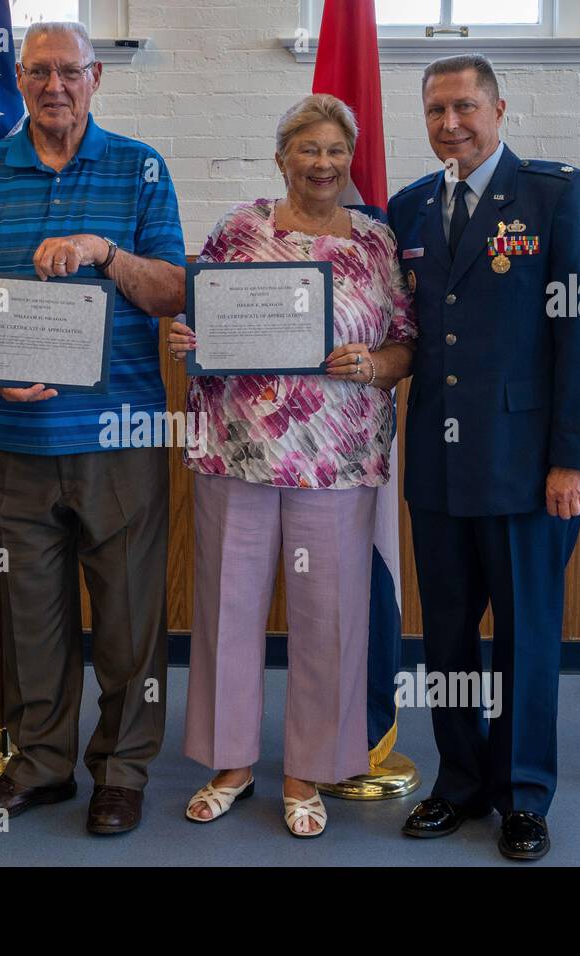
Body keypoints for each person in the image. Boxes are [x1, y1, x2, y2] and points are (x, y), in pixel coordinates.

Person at [0, 21, 186, 836]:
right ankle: (40, 764)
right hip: (17, 439)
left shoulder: (141, 168)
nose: (53, 86)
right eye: (37, 71)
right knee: (29, 614)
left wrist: (106, 252)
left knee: (128, 618)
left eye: (68, 71)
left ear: (95, 77)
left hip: (120, 438)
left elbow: (172, 291)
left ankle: (122, 770)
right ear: (18, 78)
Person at [168, 94, 416, 837]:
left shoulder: (376, 242)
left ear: (350, 159)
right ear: (282, 158)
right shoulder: (238, 229)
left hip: (339, 460)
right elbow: (196, 312)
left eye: (336, 151)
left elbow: (408, 342)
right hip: (236, 449)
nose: (322, 164)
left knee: (327, 618)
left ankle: (308, 769)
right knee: (227, 608)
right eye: (308, 149)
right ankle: (231, 762)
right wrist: (188, 337)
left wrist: (374, 362)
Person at [388, 54, 580, 860]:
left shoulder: (558, 196)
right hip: (439, 469)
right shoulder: (409, 206)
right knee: (447, 637)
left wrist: (574, 461)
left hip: (529, 468)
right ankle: (460, 782)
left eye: (464, 107)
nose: (450, 123)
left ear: (499, 108)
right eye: (436, 111)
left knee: (526, 636)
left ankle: (522, 794)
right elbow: (398, 328)